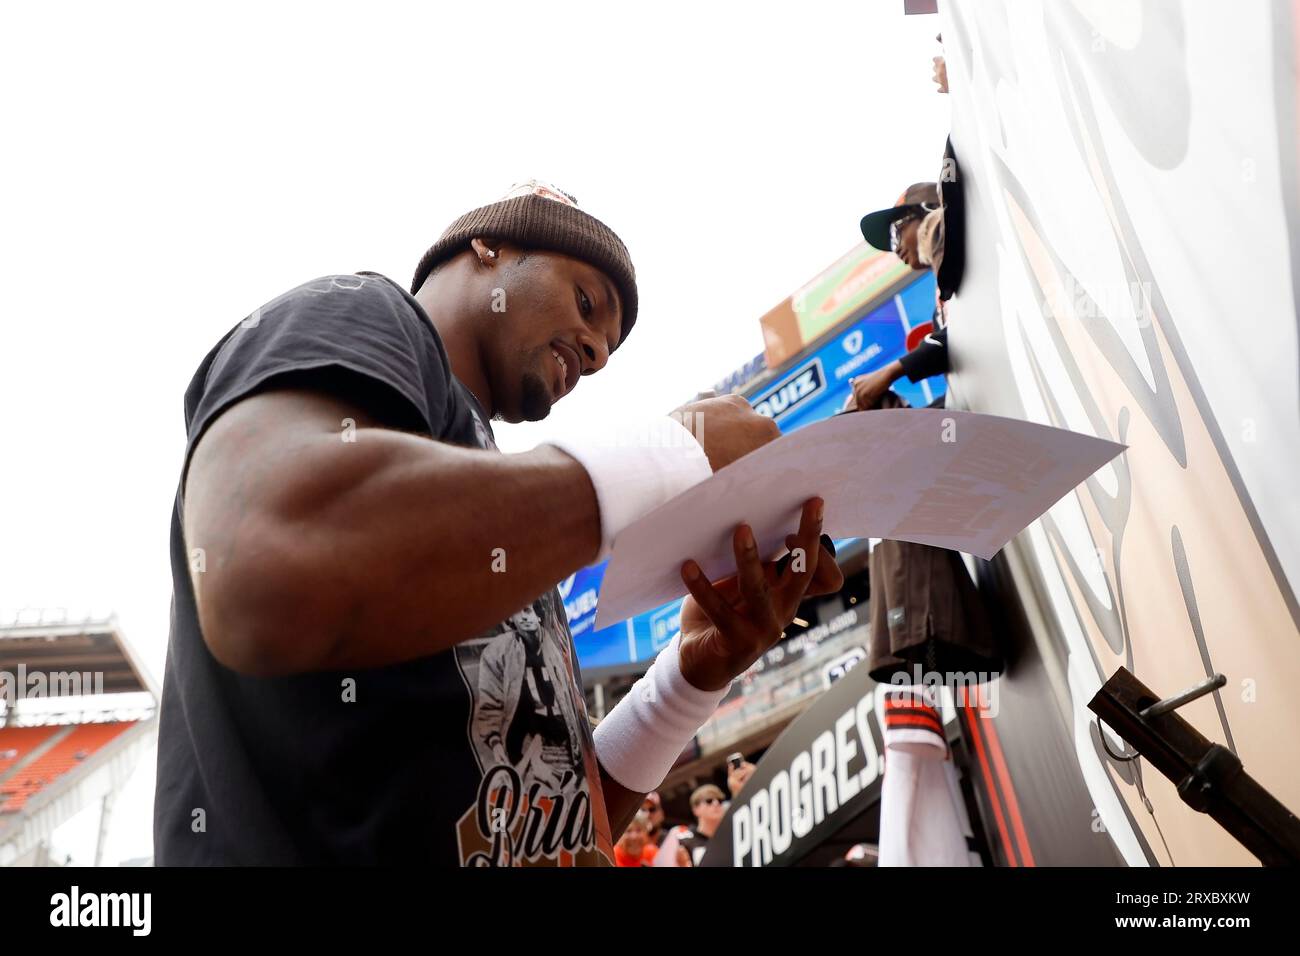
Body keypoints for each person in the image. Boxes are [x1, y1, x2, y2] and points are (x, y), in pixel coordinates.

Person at [154, 180, 843, 866]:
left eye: (607, 349)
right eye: (586, 302)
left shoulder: (500, 525)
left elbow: (546, 827)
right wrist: (671, 451)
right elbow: (265, 566)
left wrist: (690, 679)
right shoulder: (362, 312)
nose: (597, 352)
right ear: (486, 247)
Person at [679, 783, 727, 866]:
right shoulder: (684, 841)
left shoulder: (730, 836)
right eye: (709, 801)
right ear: (695, 809)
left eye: (720, 800)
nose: (716, 803)